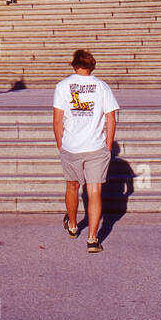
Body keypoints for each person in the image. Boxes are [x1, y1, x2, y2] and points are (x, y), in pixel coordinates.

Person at [53, 48, 119, 254]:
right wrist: (108, 146)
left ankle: (73, 226)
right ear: (92, 67)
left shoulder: (63, 86)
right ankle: (92, 238)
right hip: (95, 147)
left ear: (74, 65)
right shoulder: (102, 86)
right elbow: (111, 119)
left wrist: (61, 145)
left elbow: (57, 120)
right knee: (94, 191)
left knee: (72, 186)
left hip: (71, 145)